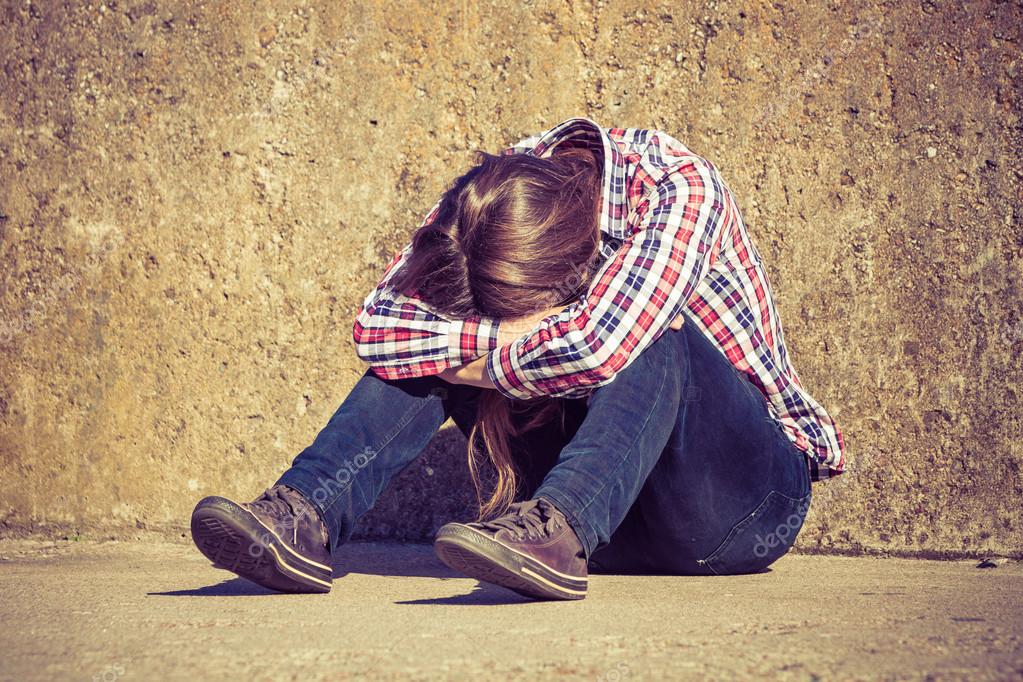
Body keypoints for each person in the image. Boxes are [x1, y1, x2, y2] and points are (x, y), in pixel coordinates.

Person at [190, 116, 846, 600]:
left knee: (656, 332)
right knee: (424, 342)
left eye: (526, 313)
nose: (494, 335)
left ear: (574, 269)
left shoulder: (678, 189)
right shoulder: (492, 194)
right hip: (604, 516)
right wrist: (503, 339)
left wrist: (475, 353)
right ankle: (304, 515)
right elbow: (379, 326)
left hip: (739, 507)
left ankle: (559, 531)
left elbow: (600, 344)